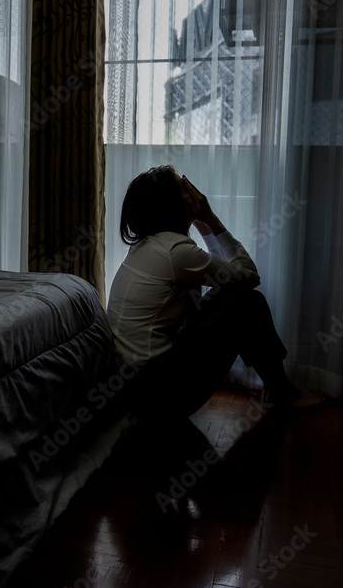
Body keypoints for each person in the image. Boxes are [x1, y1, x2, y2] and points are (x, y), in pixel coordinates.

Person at [106, 165, 324, 424]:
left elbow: (225, 275)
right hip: (160, 396)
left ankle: (279, 386)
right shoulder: (176, 252)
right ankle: (281, 389)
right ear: (173, 203)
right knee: (247, 301)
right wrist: (208, 218)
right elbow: (249, 275)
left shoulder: (149, 245)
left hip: (136, 389)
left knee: (230, 294)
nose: (194, 192)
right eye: (184, 187)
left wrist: (199, 223)